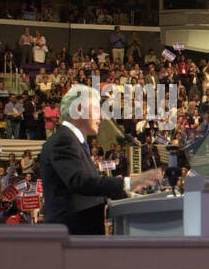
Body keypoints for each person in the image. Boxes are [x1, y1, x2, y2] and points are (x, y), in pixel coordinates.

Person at [40, 84, 161, 234]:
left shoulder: (75, 141)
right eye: (97, 110)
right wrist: (127, 183)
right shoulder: (63, 140)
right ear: (79, 109)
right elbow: (80, 182)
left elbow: (85, 192)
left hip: (80, 234)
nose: (101, 117)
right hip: (72, 237)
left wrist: (122, 196)